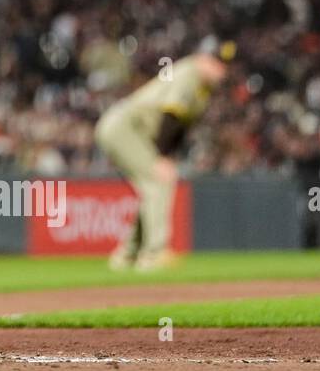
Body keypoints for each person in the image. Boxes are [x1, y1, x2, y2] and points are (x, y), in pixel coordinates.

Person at [94, 42, 232, 270]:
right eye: (216, 63)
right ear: (202, 59)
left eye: (224, 65)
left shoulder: (203, 88)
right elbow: (171, 115)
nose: (221, 70)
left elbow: (180, 126)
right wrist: (161, 157)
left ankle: (127, 254)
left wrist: (166, 156)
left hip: (133, 130)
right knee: (158, 180)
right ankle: (153, 254)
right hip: (125, 126)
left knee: (152, 186)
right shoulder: (190, 73)